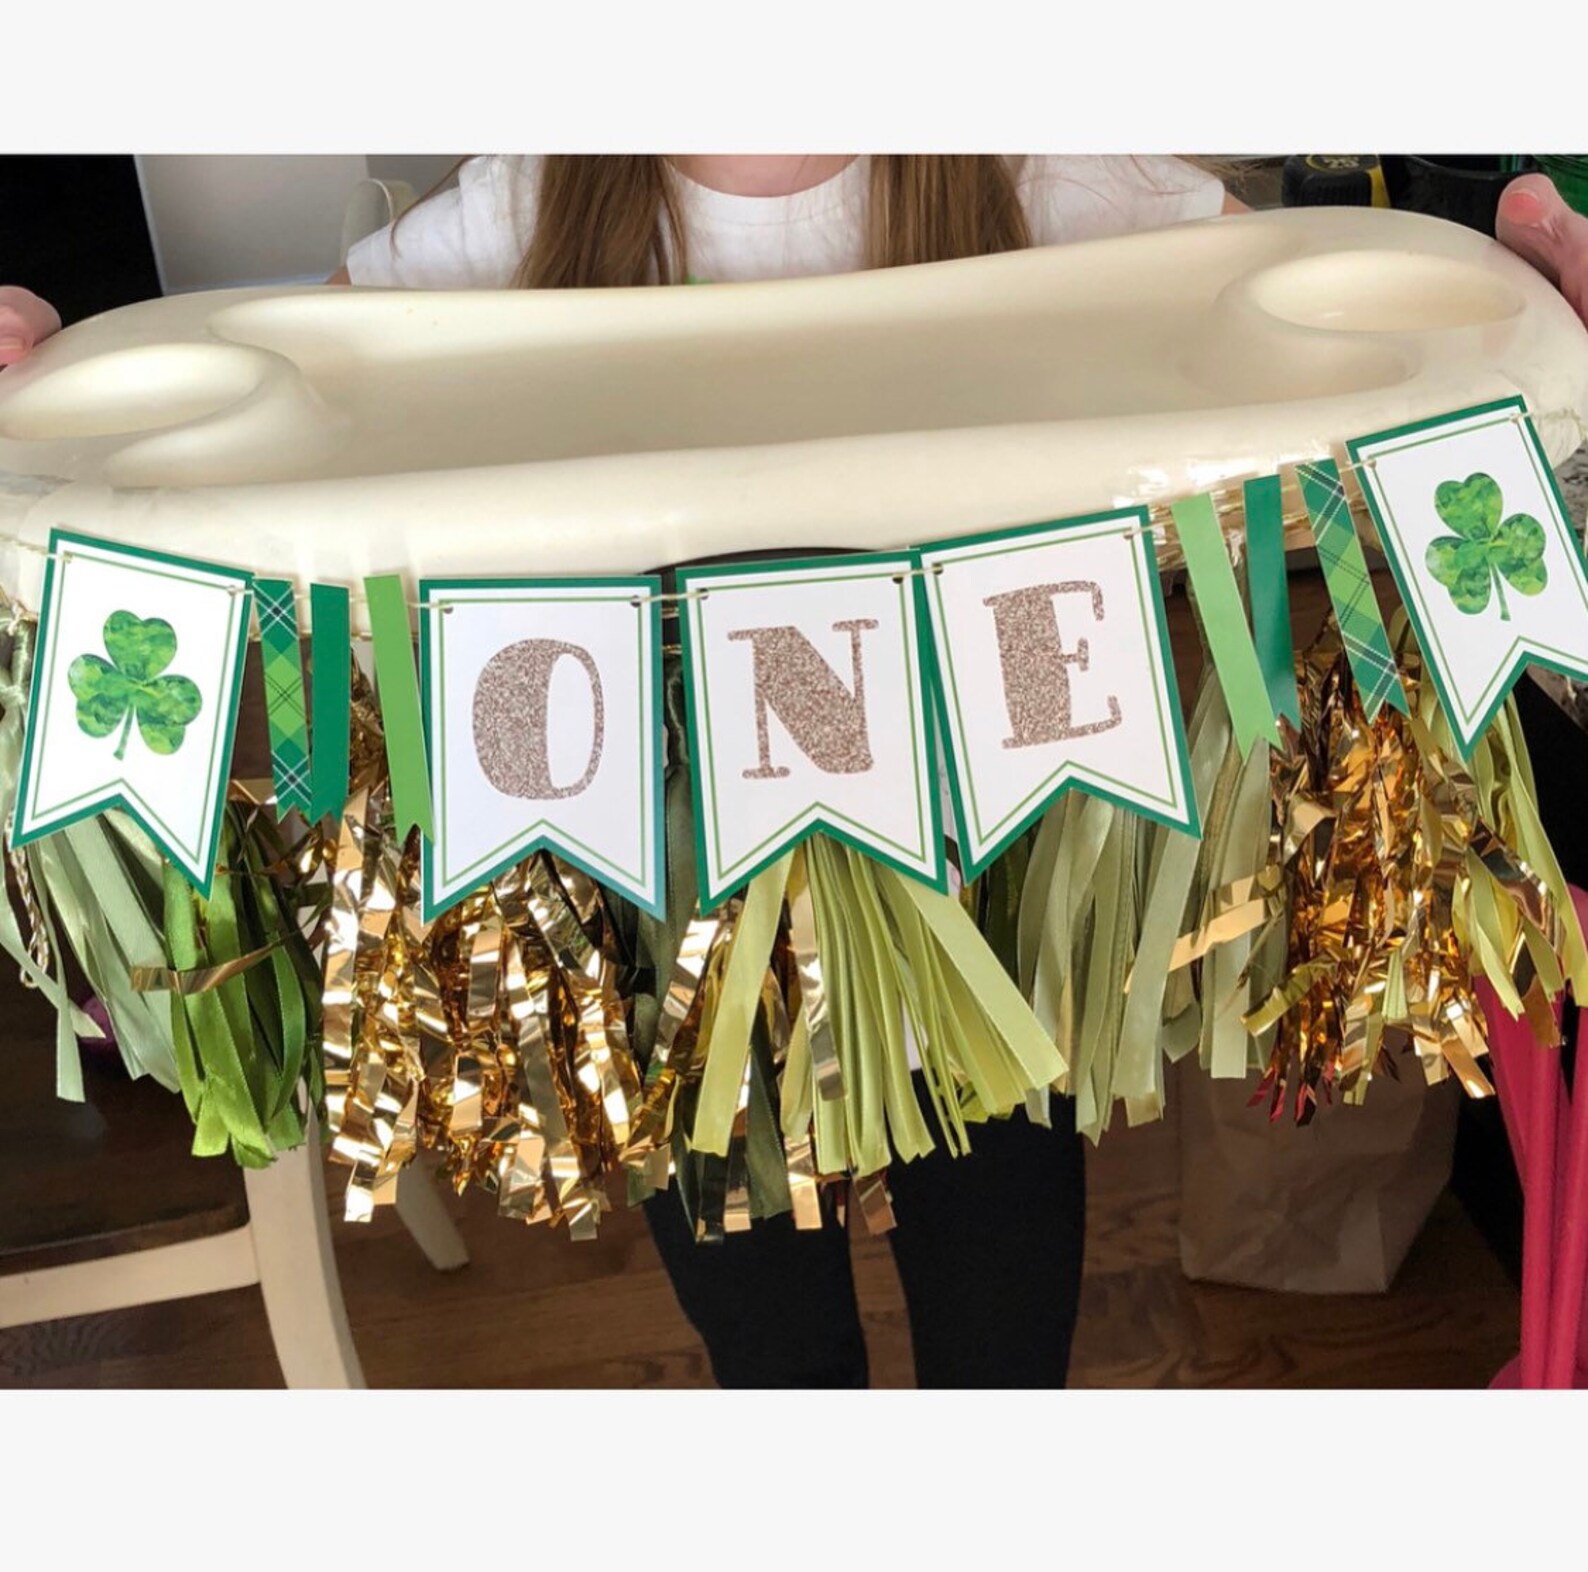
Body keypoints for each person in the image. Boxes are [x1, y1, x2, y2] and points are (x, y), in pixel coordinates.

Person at [3, 156, 1585, 1391]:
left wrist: (1515, 310)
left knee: (999, 1178)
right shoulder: (514, 210)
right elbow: (300, 398)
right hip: (663, 849)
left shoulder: (1058, 176)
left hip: (988, 806)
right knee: (733, 1206)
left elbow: (1288, 325)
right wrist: (52, 393)